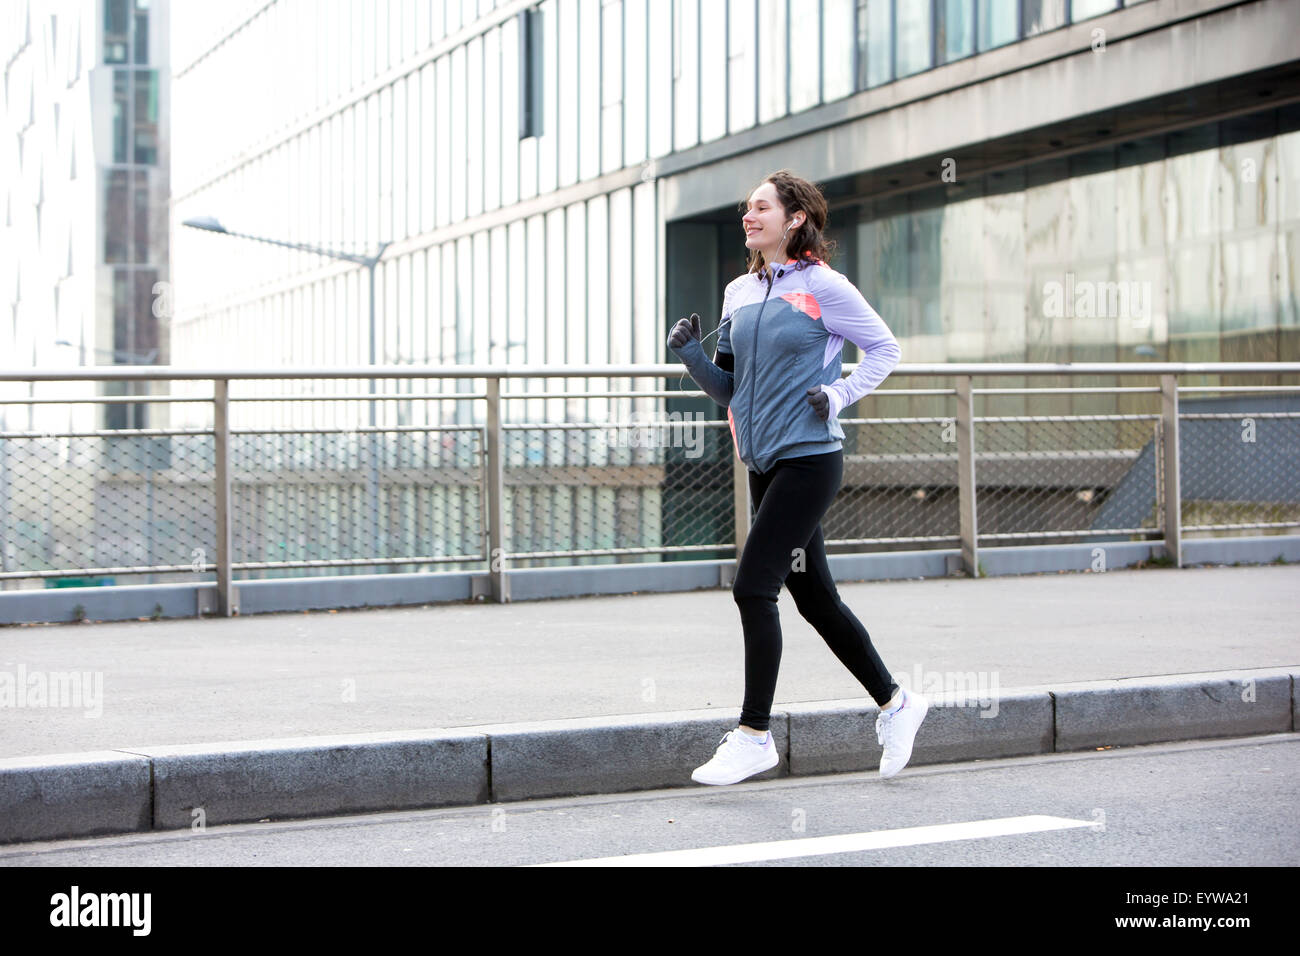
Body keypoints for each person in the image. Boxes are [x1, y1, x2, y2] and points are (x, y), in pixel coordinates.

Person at [667, 169, 928, 786]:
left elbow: (885, 349)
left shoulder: (823, 287)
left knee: (753, 587)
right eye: (745, 210)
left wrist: (839, 394)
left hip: (810, 458)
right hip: (763, 462)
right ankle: (897, 703)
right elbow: (730, 389)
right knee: (816, 599)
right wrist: (693, 356)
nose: (748, 217)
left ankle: (755, 734)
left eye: (761, 208)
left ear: (795, 219)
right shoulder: (738, 292)